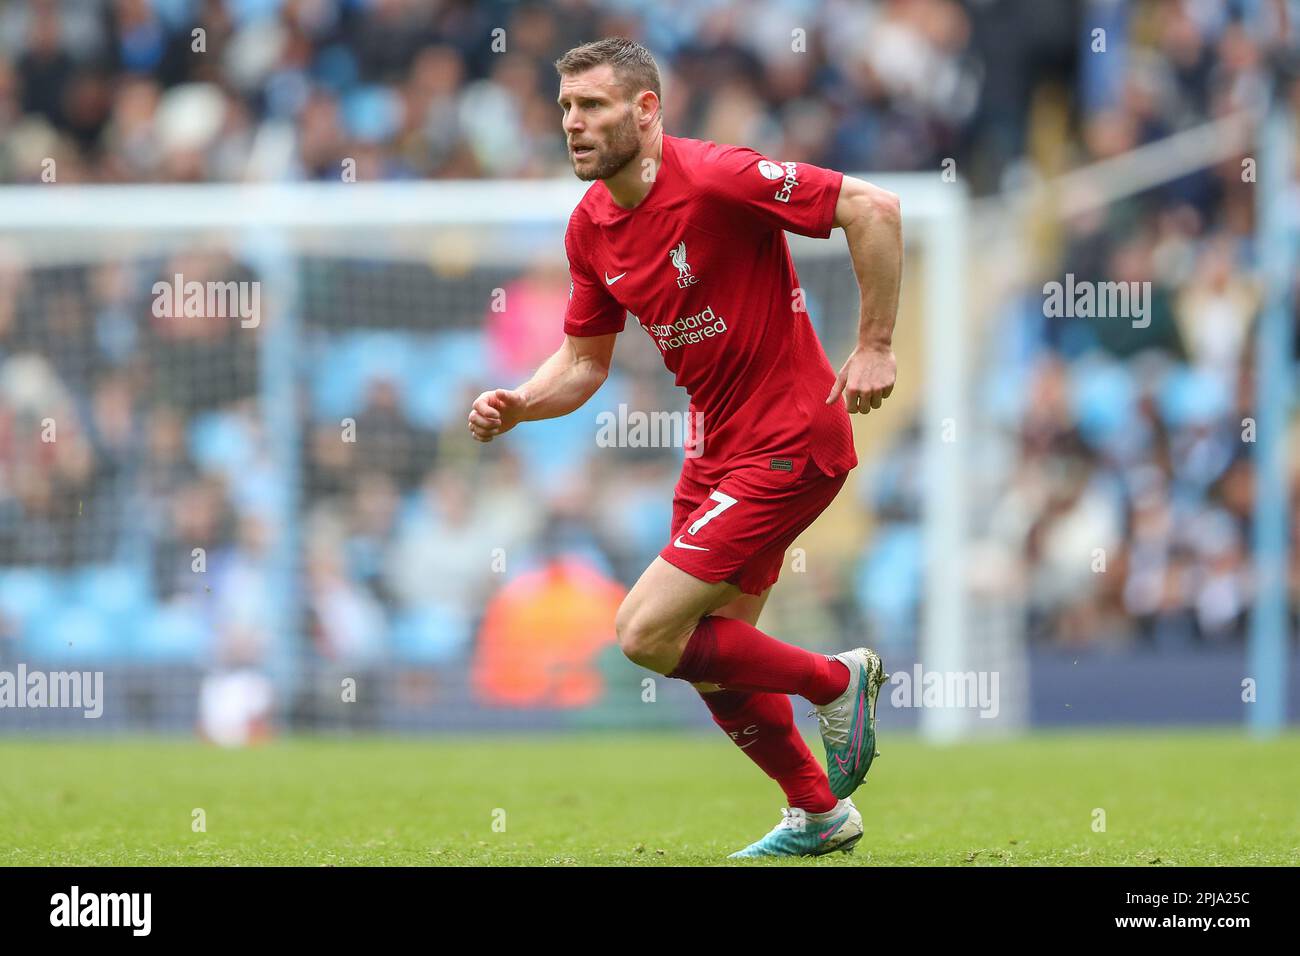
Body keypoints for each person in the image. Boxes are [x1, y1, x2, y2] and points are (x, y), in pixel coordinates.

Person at [467, 37, 902, 858]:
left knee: (641, 633)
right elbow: (585, 363)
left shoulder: (715, 176)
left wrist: (875, 343)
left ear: (645, 109)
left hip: (789, 437)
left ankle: (838, 680)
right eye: (565, 108)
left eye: (591, 106)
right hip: (715, 449)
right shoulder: (589, 225)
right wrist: (523, 402)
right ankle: (819, 813)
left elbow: (873, 208)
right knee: (708, 660)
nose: (573, 124)